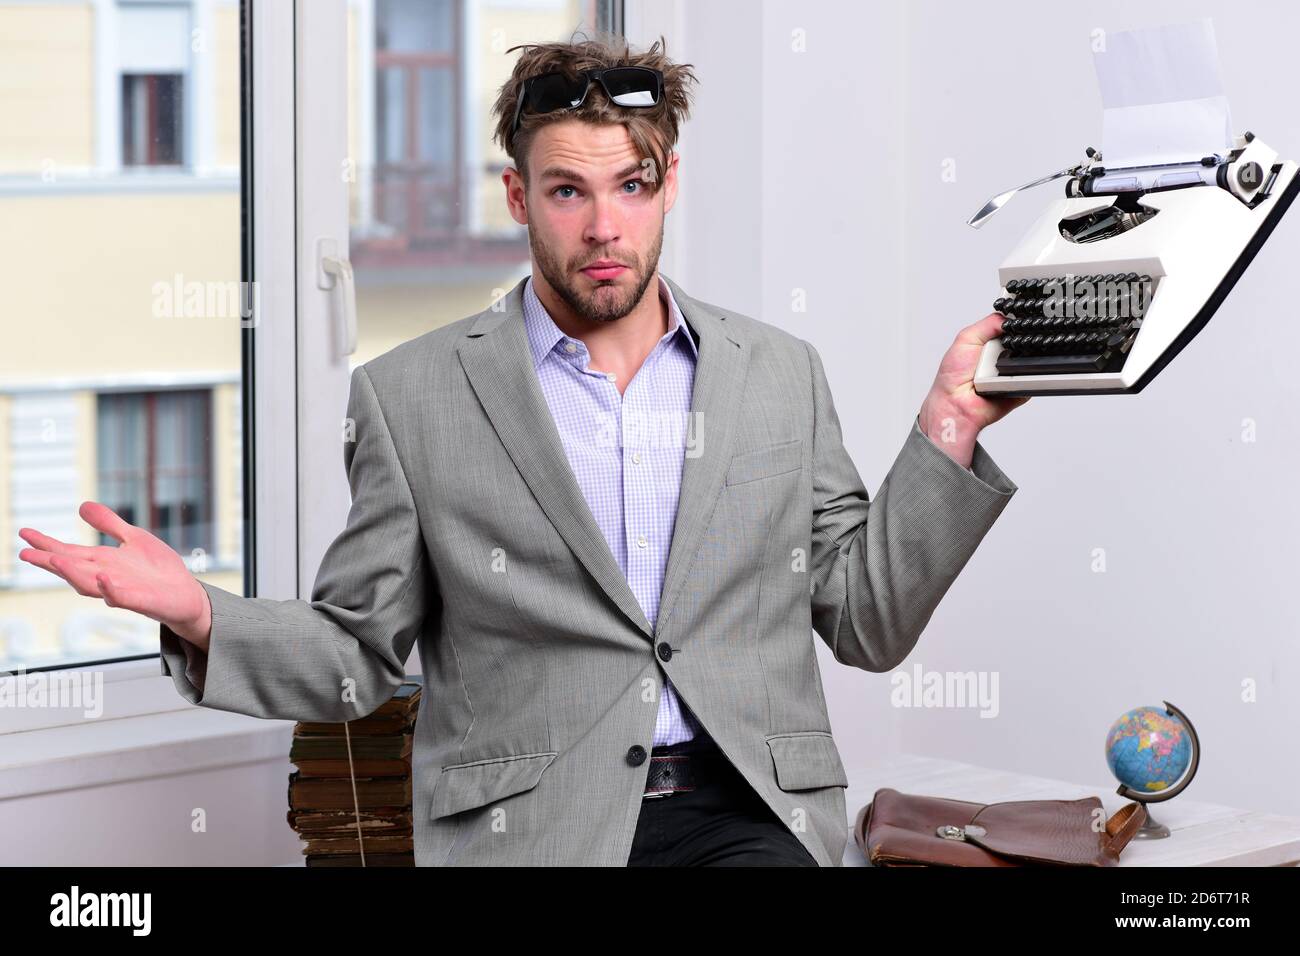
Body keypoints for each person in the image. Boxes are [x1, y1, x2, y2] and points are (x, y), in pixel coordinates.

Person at [17, 32, 1027, 866]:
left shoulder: (779, 372)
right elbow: (360, 652)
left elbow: (865, 621)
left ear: (668, 182)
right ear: (517, 196)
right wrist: (200, 611)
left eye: (630, 186)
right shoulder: (410, 396)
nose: (603, 228)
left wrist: (948, 426)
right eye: (566, 192)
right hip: (532, 832)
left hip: (748, 815)